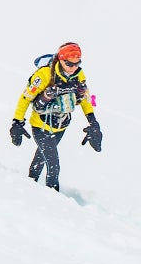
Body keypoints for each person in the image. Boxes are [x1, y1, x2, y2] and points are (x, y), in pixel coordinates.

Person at [9, 42, 101, 192]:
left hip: (61, 126)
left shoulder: (79, 75)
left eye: (77, 63)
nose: (73, 67)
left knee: (41, 157)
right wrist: (17, 122)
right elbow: (25, 97)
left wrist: (93, 121)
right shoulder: (44, 74)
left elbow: (87, 98)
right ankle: (54, 199)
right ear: (61, 60)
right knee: (54, 165)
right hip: (40, 126)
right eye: (69, 64)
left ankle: (29, 184)